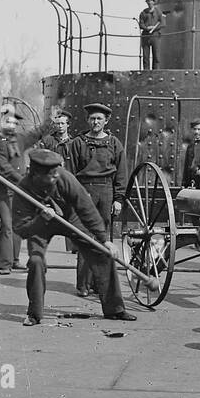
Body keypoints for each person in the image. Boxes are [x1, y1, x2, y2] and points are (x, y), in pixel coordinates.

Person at [13, 149, 136, 326]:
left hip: (70, 218)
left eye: (57, 171)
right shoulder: (23, 189)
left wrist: (104, 239)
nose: (56, 176)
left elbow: (86, 209)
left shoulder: (64, 177)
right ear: (36, 174)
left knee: (102, 254)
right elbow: (21, 229)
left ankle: (115, 309)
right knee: (35, 262)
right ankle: (34, 313)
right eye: (51, 174)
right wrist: (41, 219)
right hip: (39, 225)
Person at [0, 106, 55, 275]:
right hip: (5, 189)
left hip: (19, 189)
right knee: (7, 226)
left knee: (17, 225)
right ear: (2, 122)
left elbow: (37, 133)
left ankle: (15, 260)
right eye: (8, 121)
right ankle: (5, 265)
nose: (12, 125)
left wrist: (50, 120)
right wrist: (23, 181)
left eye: (14, 122)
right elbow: (4, 167)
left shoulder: (20, 139)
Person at [72, 103, 127, 296]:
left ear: (106, 121)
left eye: (99, 119)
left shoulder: (114, 143)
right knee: (85, 237)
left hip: (106, 192)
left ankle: (100, 283)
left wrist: (118, 199)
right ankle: (83, 285)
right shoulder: (78, 143)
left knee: (104, 238)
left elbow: (121, 174)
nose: (96, 122)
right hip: (84, 191)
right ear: (88, 120)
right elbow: (71, 173)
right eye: (92, 119)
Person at [40, 109, 81, 252]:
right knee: (47, 213)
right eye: (57, 123)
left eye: (63, 123)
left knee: (71, 214)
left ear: (68, 125)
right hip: (51, 183)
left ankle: (73, 246)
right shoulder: (47, 141)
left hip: (69, 181)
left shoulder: (74, 142)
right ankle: (40, 245)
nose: (60, 126)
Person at [138, 0, 163, 70]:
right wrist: (146, 28)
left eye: (150, 1)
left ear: (153, 2)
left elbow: (163, 23)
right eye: (147, 1)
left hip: (155, 36)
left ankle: (156, 71)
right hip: (146, 36)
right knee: (145, 56)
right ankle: (146, 71)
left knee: (156, 56)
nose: (149, 3)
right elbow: (141, 24)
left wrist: (154, 28)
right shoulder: (143, 13)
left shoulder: (158, 12)